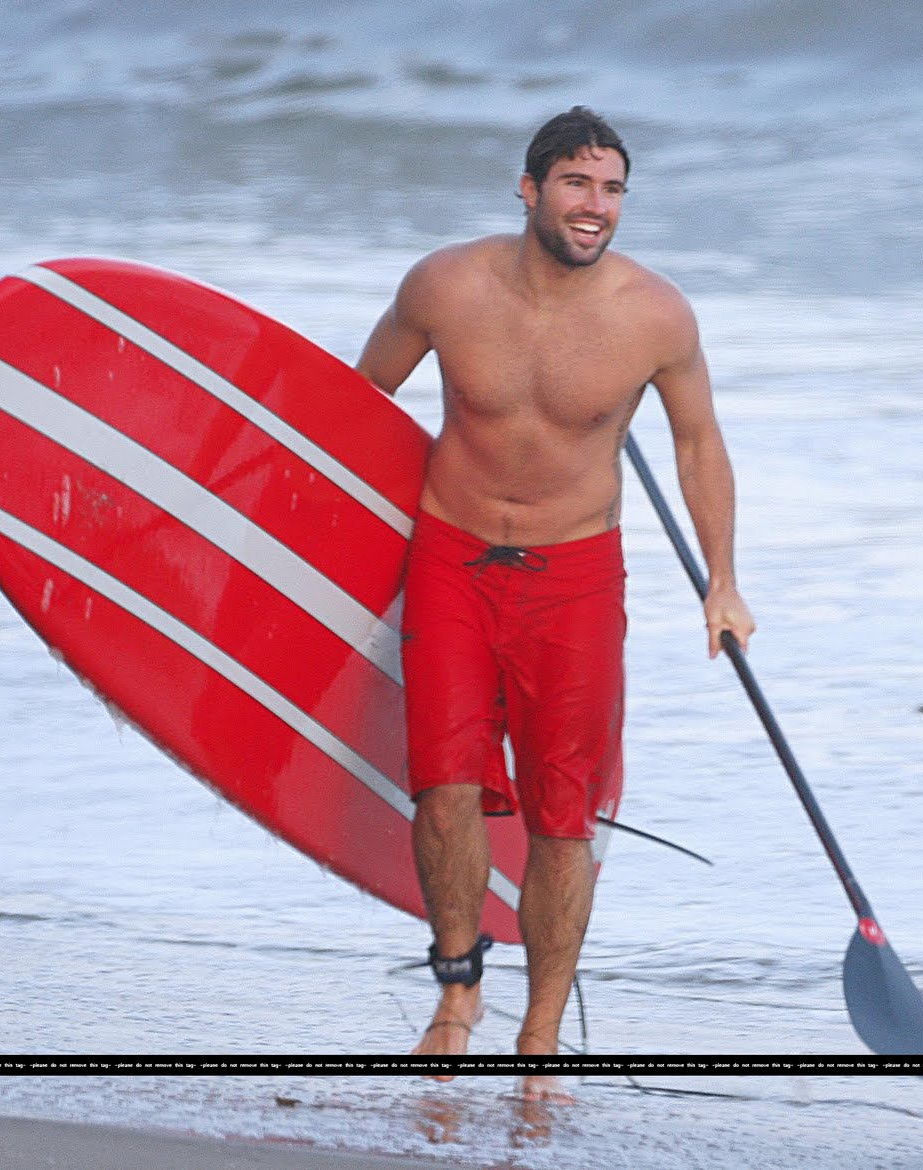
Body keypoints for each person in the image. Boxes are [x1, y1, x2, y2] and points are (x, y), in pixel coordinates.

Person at [356, 106, 754, 1102]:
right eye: (577, 186)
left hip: (574, 578)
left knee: (560, 814)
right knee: (441, 782)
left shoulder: (654, 317)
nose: (597, 208)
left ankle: (540, 1037)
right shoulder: (444, 286)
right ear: (530, 189)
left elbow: (697, 446)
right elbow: (358, 404)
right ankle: (456, 993)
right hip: (450, 556)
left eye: (612, 190)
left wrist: (722, 582)